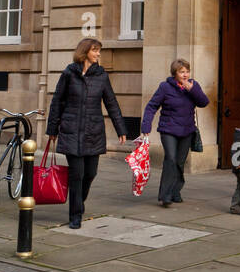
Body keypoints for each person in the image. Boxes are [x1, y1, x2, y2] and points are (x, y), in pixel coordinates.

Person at [46, 36, 128, 229]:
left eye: (99, 50)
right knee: (77, 174)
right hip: (71, 130)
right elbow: (57, 101)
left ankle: (78, 203)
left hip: (93, 131)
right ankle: (75, 215)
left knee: (90, 173)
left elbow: (111, 103)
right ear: (85, 52)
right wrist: (52, 129)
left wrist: (121, 129)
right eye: (95, 50)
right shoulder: (69, 73)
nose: (98, 54)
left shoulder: (101, 75)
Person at [140, 59, 209, 207]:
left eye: (187, 71)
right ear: (174, 74)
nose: (185, 75)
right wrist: (146, 127)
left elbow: (204, 102)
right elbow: (152, 106)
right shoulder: (165, 87)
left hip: (187, 130)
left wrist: (192, 90)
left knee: (179, 162)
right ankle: (165, 196)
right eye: (181, 72)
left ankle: (175, 191)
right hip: (168, 129)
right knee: (170, 159)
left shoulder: (193, 85)